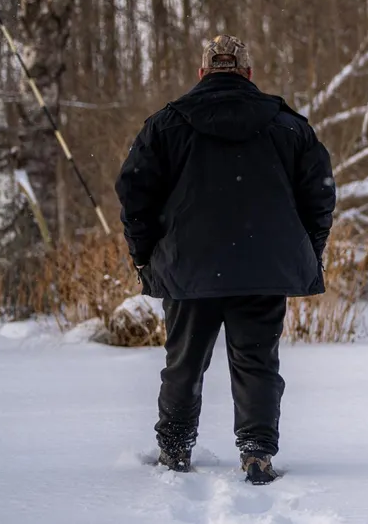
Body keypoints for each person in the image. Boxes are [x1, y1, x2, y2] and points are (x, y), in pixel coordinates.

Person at [114, 35, 335, 485]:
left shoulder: (165, 125)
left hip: (187, 267)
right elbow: (320, 196)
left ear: (202, 73)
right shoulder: (289, 126)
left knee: (184, 361)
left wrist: (146, 256)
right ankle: (256, 452)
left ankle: (175, 448)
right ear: (249, 75)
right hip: (263, 269)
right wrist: (308, 251)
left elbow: (133, 193)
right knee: (257, 363)